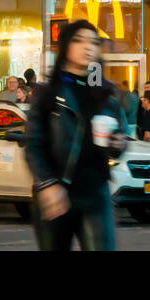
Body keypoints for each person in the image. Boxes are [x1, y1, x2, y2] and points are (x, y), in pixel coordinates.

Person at [24, 20, 128, 251]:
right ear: (65, 47)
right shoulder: (47, 93)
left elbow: (120, 137)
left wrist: (117, 142)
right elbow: (33, 144)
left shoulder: (107, 94)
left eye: (93, 42)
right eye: (78, 40)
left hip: (96, 192)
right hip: (57, 193)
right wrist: (47, 184)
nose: (87, 46)